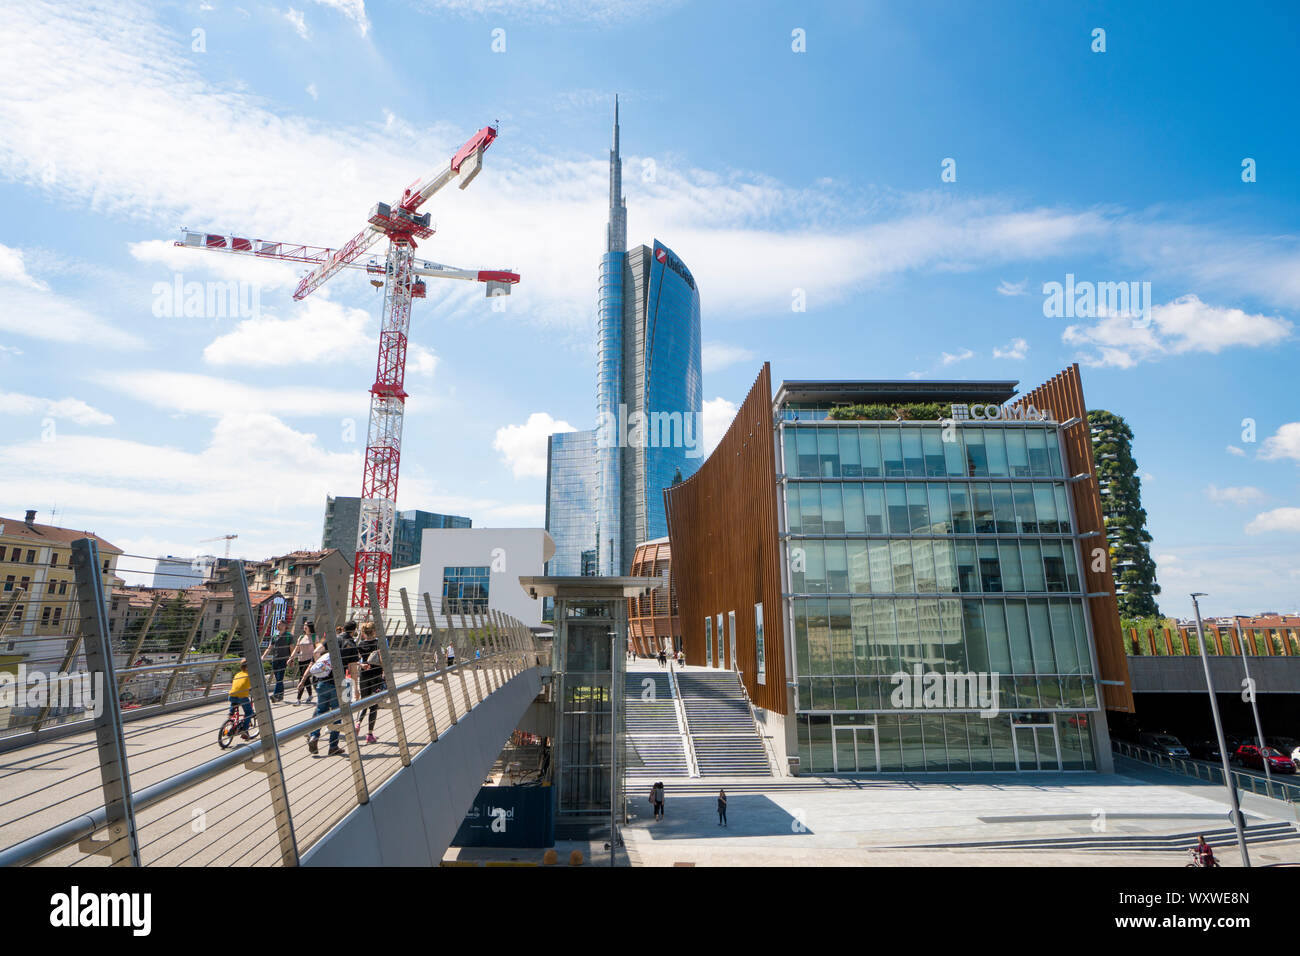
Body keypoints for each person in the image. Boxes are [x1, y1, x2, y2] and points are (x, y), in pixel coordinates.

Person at [305, 650, 345, 756]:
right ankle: (333, 746)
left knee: (320, 712)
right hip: (336, 686)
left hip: (322, 684)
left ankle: (314, 736)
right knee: (337, 716)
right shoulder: (344, 651)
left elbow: (315, 652)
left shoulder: (325, 653)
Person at [354, 623, 385, 744]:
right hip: (376, 675)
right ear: (373, 632)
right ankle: (370, 734)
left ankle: (357, 723)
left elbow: (356, 659)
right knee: (373, 705)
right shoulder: (378, 643)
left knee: (364, 701)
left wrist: (362, 665)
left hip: (364, 674)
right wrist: (384, 672)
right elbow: (382, 659)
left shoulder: (361, 644)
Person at [262, 623, 292, 702]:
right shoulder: (275, 635)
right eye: (277, 624)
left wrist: (291, 659)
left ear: (285, 626)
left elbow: (291, 648)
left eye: (280, 624)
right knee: (279, 679)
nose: (278, 626)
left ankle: (275, 695)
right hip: (275, 660)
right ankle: (281, 696)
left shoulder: (289, 636)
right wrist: (263, 656)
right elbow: (269, 647)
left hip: (284, 660)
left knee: (279, 678)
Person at [228, 658, 253, 740]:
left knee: (234, 702)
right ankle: (244, 730)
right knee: (249, 712)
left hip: (231, 695)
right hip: (242, 697)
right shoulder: (250, 675)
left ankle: (231, 714)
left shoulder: (237, 674)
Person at [293, 623, 317, 703]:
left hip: (309, 660)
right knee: (305, 679)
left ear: (310, 627)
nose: (304, 626)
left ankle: (298, 699)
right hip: (301, 660)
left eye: (306, 625)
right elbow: (296, 649)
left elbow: (317, 649)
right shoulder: (301, 637)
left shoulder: (314, 637)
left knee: (302, 678)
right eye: (304, 625)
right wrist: (291, 658)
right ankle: (310, 695)